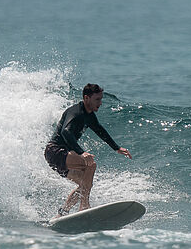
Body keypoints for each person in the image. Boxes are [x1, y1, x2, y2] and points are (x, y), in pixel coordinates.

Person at [44, 83, 132, 216]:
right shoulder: (76, 112)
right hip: (55, 151)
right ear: (86, 98)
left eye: (101, 99)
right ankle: (84, 206)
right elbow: (65, 132)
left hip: (62, 155)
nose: (100, 103)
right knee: (91, 165)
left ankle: (62, 213)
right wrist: (82, 153)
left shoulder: (89, 115)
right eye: (97, 99)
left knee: (85, 184)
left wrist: (117, 148)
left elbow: (100, 130)